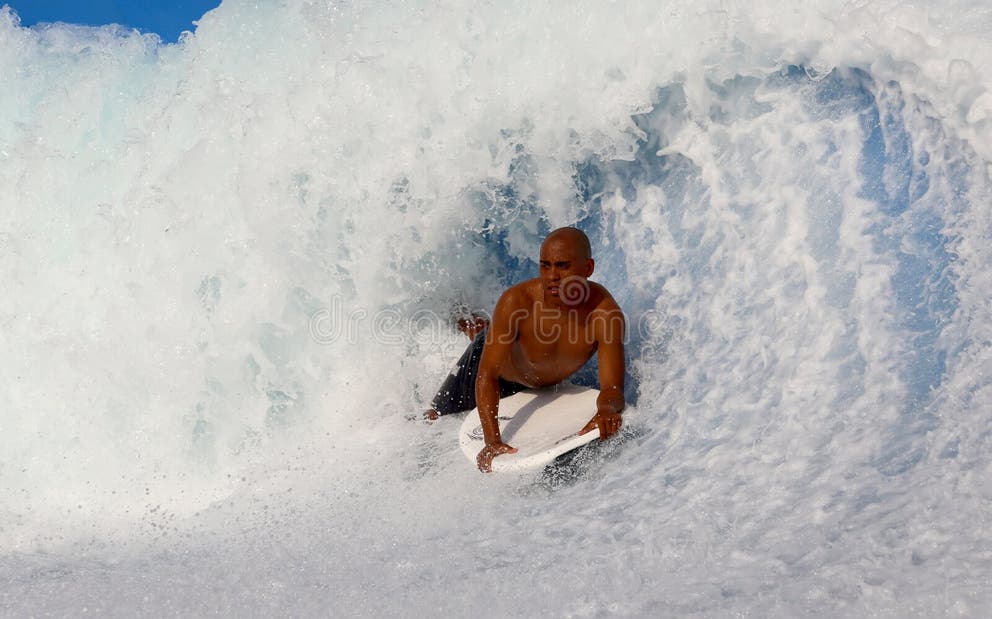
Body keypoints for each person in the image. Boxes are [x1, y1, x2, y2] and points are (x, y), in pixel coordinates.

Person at [427, 227, 625, 472]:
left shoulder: (604, 314)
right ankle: (470, 322)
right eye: (545, 265)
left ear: (588, 268)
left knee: (500, 333)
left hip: (535, 381)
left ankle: (479, 324)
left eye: (562, 266)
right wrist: (492, 441)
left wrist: (606, 409)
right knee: (433, 418)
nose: (552, 275)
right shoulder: (517, 302)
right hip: (493, 374)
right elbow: (486, 374)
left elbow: (613, 388)